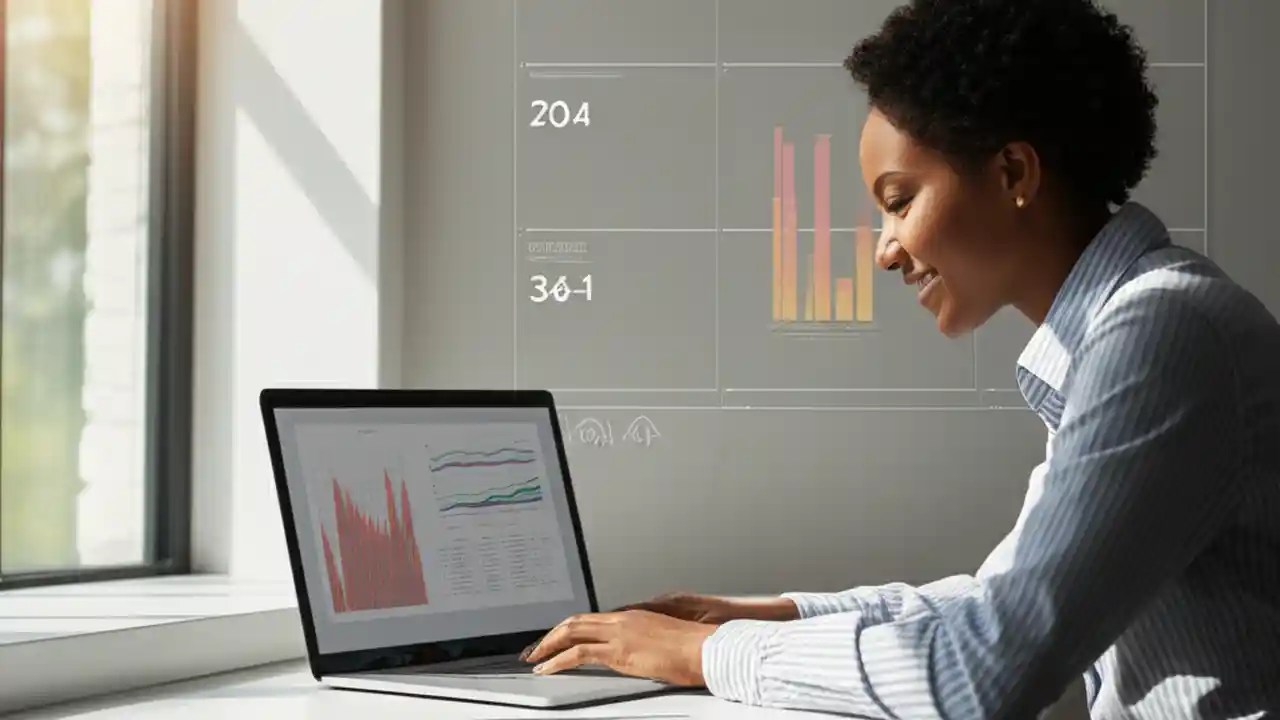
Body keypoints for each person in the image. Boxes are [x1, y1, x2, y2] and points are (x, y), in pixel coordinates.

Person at [521, 0, 1280, 717]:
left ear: (1014, 174)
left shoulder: (1162, 336)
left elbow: (984, 670)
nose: (886, 250)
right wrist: (763, 614)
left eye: (899, 199)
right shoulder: (1132, 332)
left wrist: (709, 653)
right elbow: (995, 603)